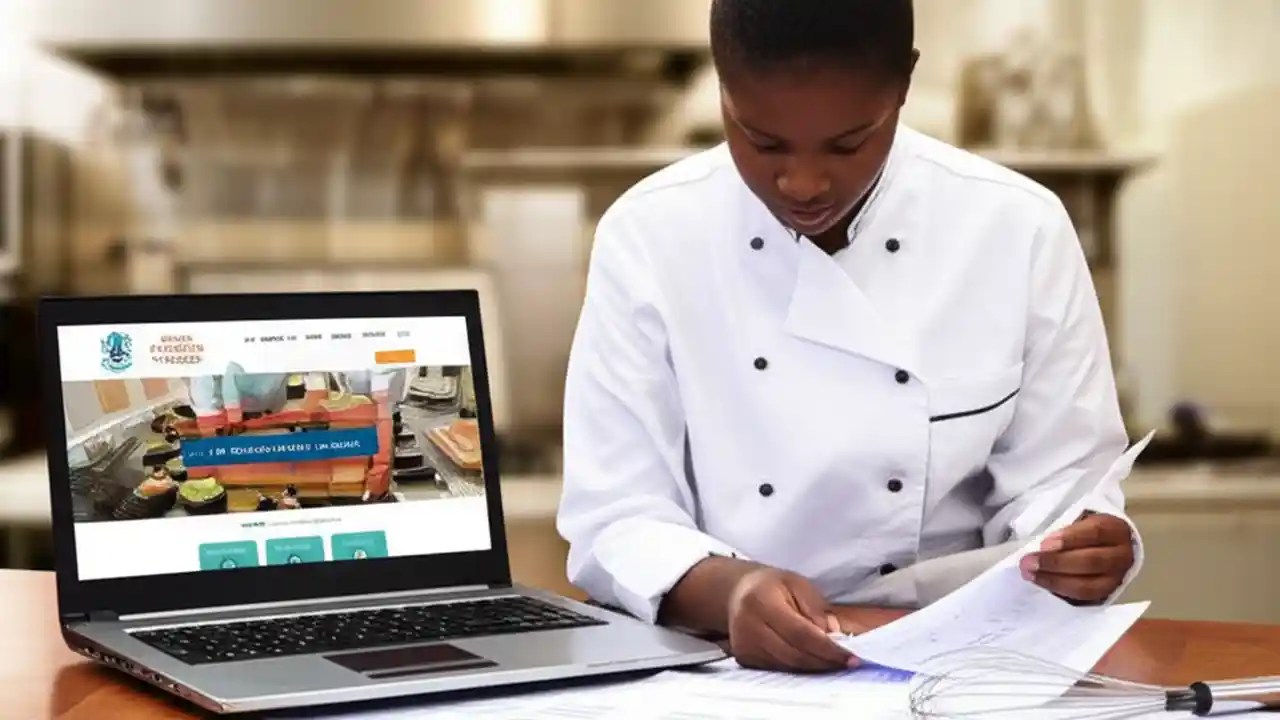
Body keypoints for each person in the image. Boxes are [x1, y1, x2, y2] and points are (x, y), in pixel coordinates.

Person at [556, 0, 1144, 674]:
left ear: (904, 87)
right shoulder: (650, 234)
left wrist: (1088, 545)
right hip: (726, 668)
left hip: (964, 662)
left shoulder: (1018, 228)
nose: (803, 183)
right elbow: (616, 517)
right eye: (762, 140)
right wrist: (735, 591)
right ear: (720, 87)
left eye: (847, 143)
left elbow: (1062, 481)